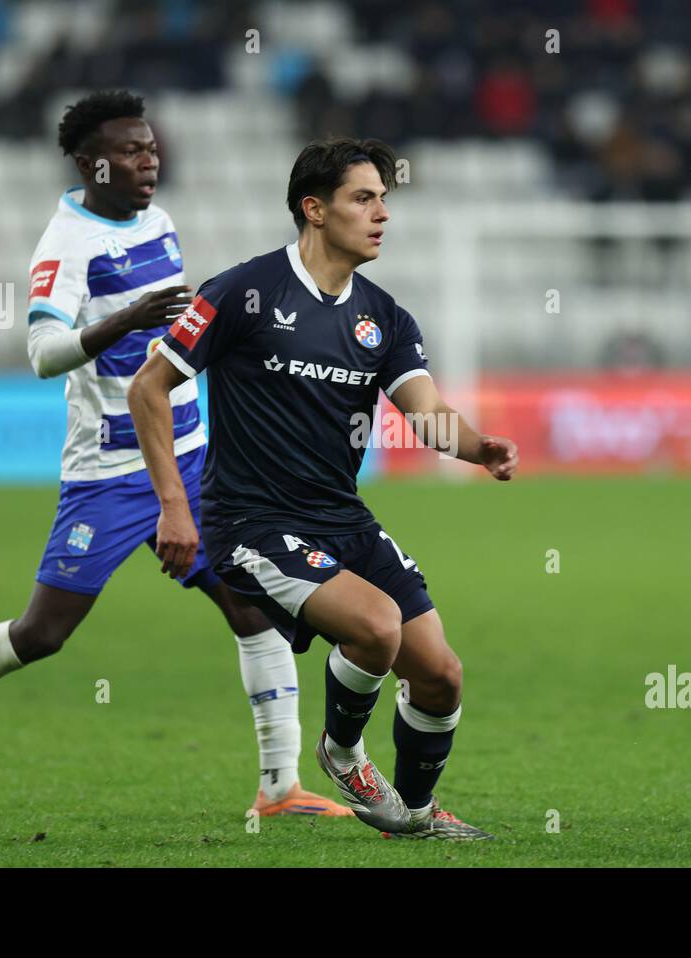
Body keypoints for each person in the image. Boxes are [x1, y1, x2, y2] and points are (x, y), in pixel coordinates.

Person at [0, 90, 348, 820]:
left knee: (252, 609)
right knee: (44, 632)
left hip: (192, 453)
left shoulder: (159, 220)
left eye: (151, 147)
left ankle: (279, 788)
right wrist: (121, 319)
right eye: (130, 151)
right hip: (110, 475)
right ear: (93, 163)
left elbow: (174, 343)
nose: (148, 160)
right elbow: (41, 354)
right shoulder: (65, 246)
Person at [127, 137, 520, 840]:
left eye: (384, 200)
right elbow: (148, 388)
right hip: (250, 521)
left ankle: (420, 816)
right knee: (375, 627)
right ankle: (340, 754)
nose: (382, 215)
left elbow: (426, 414)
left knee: (441, 676)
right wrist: (173, 508)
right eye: (364, 198)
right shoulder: (241, 293)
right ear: (315, 209)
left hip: (340, 517)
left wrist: (475, 445)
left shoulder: (385, 318)